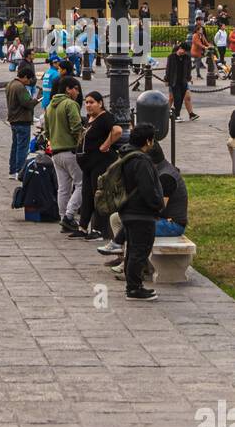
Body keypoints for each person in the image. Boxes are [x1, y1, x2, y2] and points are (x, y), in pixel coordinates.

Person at [117, 124, 165, 302]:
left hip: (128, 210)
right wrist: (157, 205)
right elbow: (148, 189)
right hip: (141, 213)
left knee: (132, 250)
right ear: (148, 141)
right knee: (139, 251)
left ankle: (133, 285)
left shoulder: (126, 156)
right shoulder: (142, 161)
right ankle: (134, 288)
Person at [74, 92, 121, 240]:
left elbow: (117, 130)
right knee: (86, 194)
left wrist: (105, 145)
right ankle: (82, 227)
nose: (88, 105)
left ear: (100, 103)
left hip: (100, 163)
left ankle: (99, 230)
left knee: (98, 194)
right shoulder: (90, 118)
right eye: (86, 102)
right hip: (88, 165)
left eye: (92, 102)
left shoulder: (105, 117)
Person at [44, 76, 84, 233]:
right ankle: (69, 215)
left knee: (63, 188)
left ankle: (63, 218)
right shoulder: (70, 104)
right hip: (70, 150)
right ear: (68, 89)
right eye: (76, 89)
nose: (78, 92)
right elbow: (76, 127)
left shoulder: (50, 107)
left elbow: (47, 131)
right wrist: (80, 140)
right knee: (81, 184)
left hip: (55, 151)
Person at [5, 63, 39, 179]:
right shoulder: (20, 87)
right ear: (24, 77)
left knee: (15, 146)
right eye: (28, 79)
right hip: (22, 120)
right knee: (22, 148)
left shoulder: (10, 84)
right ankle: (20, 171)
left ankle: (12, 170)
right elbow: (27, 103)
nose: (29, 82)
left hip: (14, 120)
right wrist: (37, 100)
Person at [165, 41, 198, 122]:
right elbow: (168, 69)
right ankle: (176, 115)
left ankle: (180, 114)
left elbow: (189, 69)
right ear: (180, 48)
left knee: (183, 97)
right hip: (174, 81)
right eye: (184, 51)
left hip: (183, 81)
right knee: (176, 98)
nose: (185, 53)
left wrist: (189, 78)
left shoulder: (187, 57)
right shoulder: (171, 57)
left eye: (186, 52)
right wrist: (167, 79)